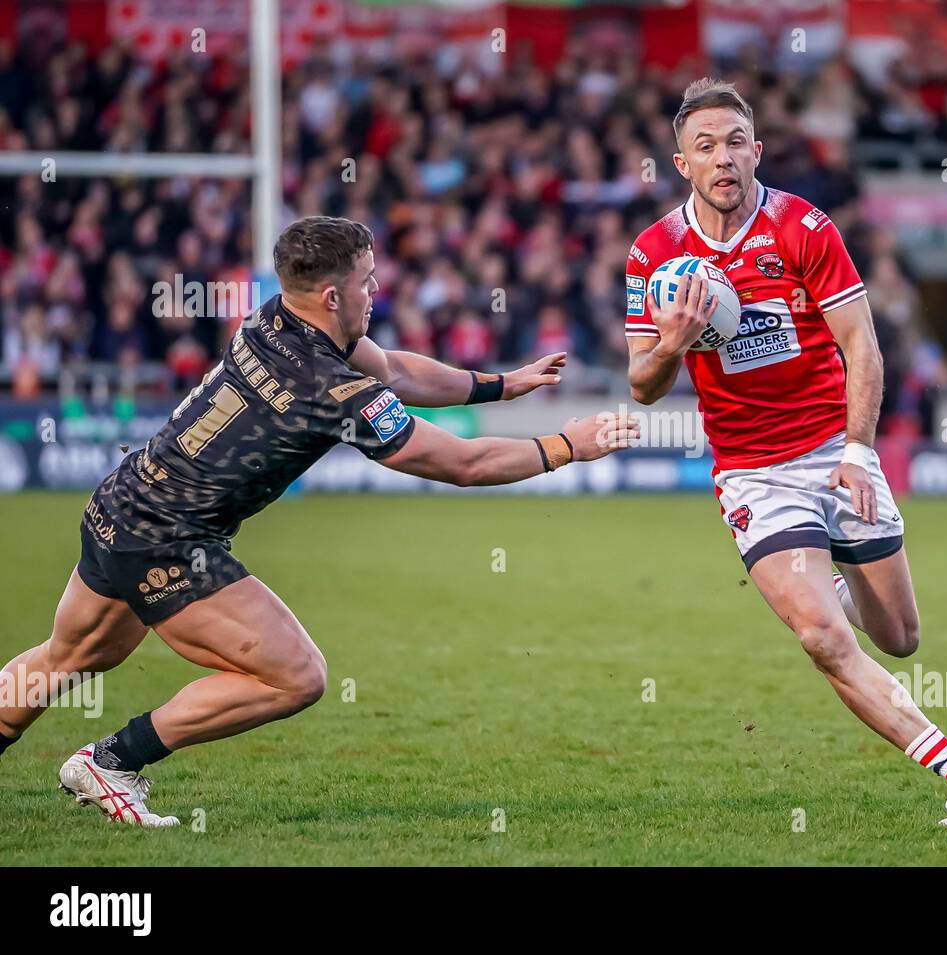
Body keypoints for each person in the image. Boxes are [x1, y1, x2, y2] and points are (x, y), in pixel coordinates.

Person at [0, 216, 637, 826]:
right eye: (367, 279)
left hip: (121, 502)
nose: (377, 289)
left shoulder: (272, 319)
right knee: (295, 677)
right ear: (333, 295)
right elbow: (463, 464)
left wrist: (501, 384)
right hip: (172, 541)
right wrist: (568, 446)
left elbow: (396, 370)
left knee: (71, 655)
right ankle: (111, 761)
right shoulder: (329, 388)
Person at [626, 79, 947, 826]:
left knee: (900, 637)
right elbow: (642, 385)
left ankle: (837, 584)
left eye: (736, 142)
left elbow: (860, 343)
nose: (723, 159)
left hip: (834, 450)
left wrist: (861, 452)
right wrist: (673, 342)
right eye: (705, 146)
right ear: (681, 164)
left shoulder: (804, 227)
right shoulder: (654, 255)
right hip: (752, 471)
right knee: (822, 638)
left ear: (757, 151)